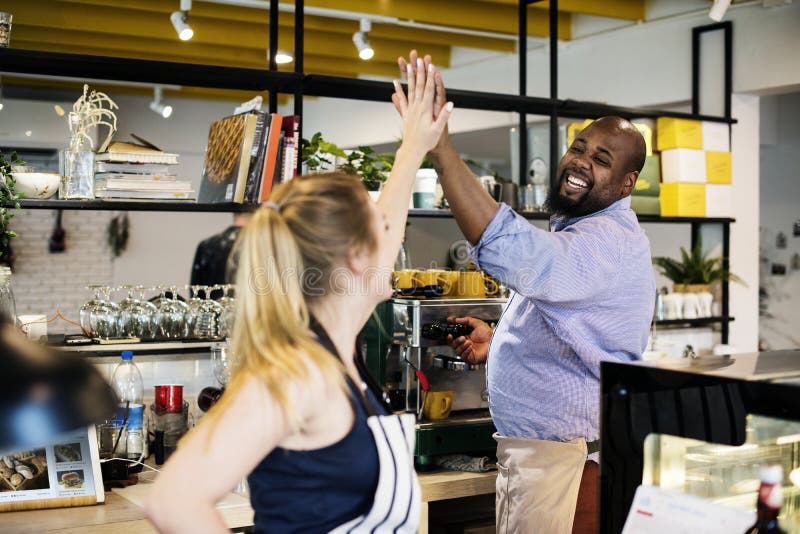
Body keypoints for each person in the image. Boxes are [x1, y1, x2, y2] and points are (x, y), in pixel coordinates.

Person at [145, 61, 453, 532]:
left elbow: (383, 228)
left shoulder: (337, 356)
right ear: (354, 257)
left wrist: (414, 145)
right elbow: (173, 500)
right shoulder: (300, 372)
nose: (394, 247)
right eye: (385, 234)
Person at [393, 51, 656, 534]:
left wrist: (441, 152)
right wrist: (499, 346)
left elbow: (518, 254)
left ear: (627, 183)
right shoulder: (583, 235)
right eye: (579, 147)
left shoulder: (606, 242)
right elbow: (570, 334)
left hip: (566, 468)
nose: (581, 162)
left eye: (602, 160)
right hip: (551, 457)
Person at [190, 212, 252, 299]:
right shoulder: (260, 246)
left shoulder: (207, 245)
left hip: (213, 310)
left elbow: (196, 292)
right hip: (248, 309)